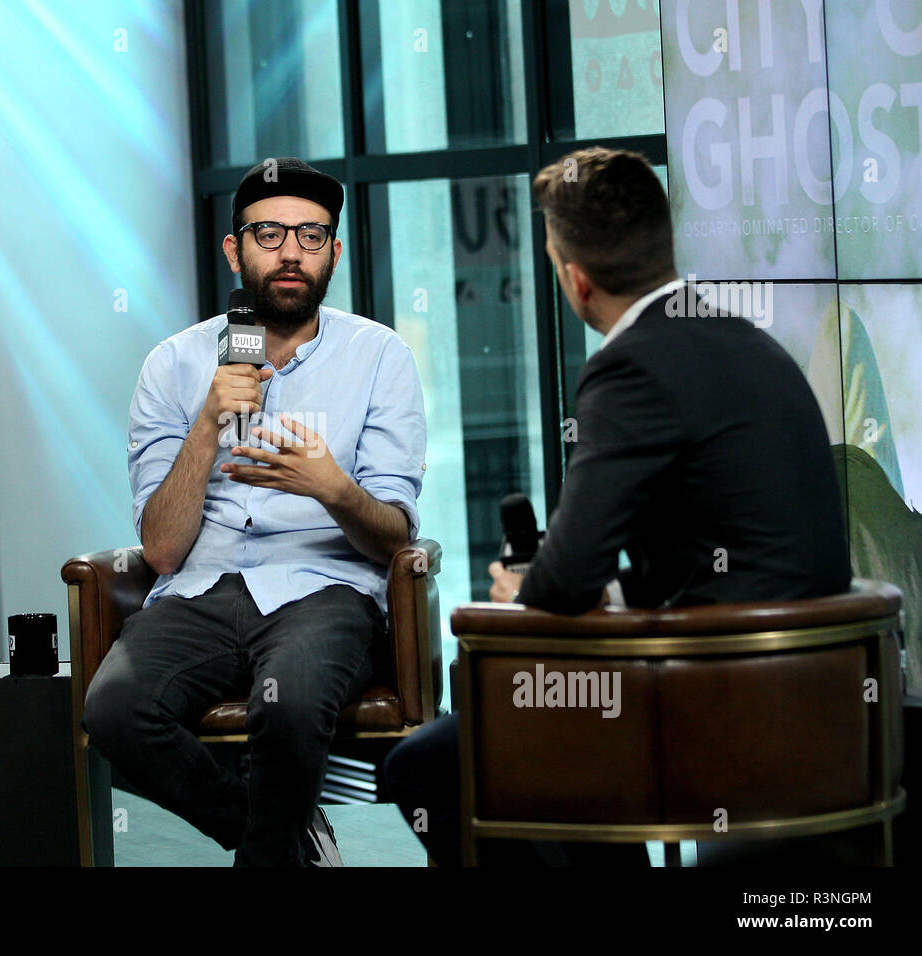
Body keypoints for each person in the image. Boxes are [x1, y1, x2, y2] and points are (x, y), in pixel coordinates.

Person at [384, 147, 850, 867]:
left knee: (425, 766)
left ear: (576, 280)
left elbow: (565, 580)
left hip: (723, 700)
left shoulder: (629, 367)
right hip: (819, 693)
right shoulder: (752, 344)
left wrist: (524, 591)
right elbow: (720, 557)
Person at [82, 158, 426, 866]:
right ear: (235, 250)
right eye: (270, 233)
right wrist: (208, 421)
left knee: (292, 704)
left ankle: (271, 852)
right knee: (113, 711)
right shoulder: (173, 364)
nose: (291, 251)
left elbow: (394, 537)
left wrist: (333, 488)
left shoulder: (379, 356)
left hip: (325, 591)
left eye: (311, 234)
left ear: (334, 251)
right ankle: (280, 839)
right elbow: (163, 552)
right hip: (199, 592)